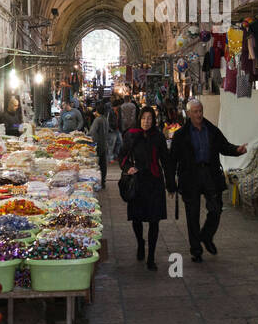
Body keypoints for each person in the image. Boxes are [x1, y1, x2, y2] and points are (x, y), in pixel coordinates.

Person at [168, 97, 245, 262]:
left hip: (209, 174)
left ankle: (206, 236)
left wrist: (237, 150)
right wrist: (171, 183)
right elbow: (172, 159)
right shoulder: (181, 135)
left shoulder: (211, 130)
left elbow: (224, 146)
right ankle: (196, 250)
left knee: (216, 209)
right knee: (192, 214)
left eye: (200, 111)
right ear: (189, 114)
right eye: (195, 112)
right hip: (190, 176)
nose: (199, 114)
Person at [120, 106, 174, 271]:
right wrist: (128, 167)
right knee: (136, 219)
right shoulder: (131, 135)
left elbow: (165, 160)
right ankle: (140, 243)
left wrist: (171, 183)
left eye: (149, 118)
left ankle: (151, 257)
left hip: (154, 182)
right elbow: (122, 155)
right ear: (139, 119)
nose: (146, 122)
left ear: (153, 120)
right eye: (144, 118)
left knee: (154, 220)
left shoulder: (158, 136)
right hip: (138, 182)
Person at [87, 104, 111, 190]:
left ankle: (98, 182)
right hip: (104, 144)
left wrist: (91, 141)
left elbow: (92, 132)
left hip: (98, 145)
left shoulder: (98, 120)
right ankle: (103, 181)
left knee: (97, 164)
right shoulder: (105, 119)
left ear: (97, 111)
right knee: (103, 164)